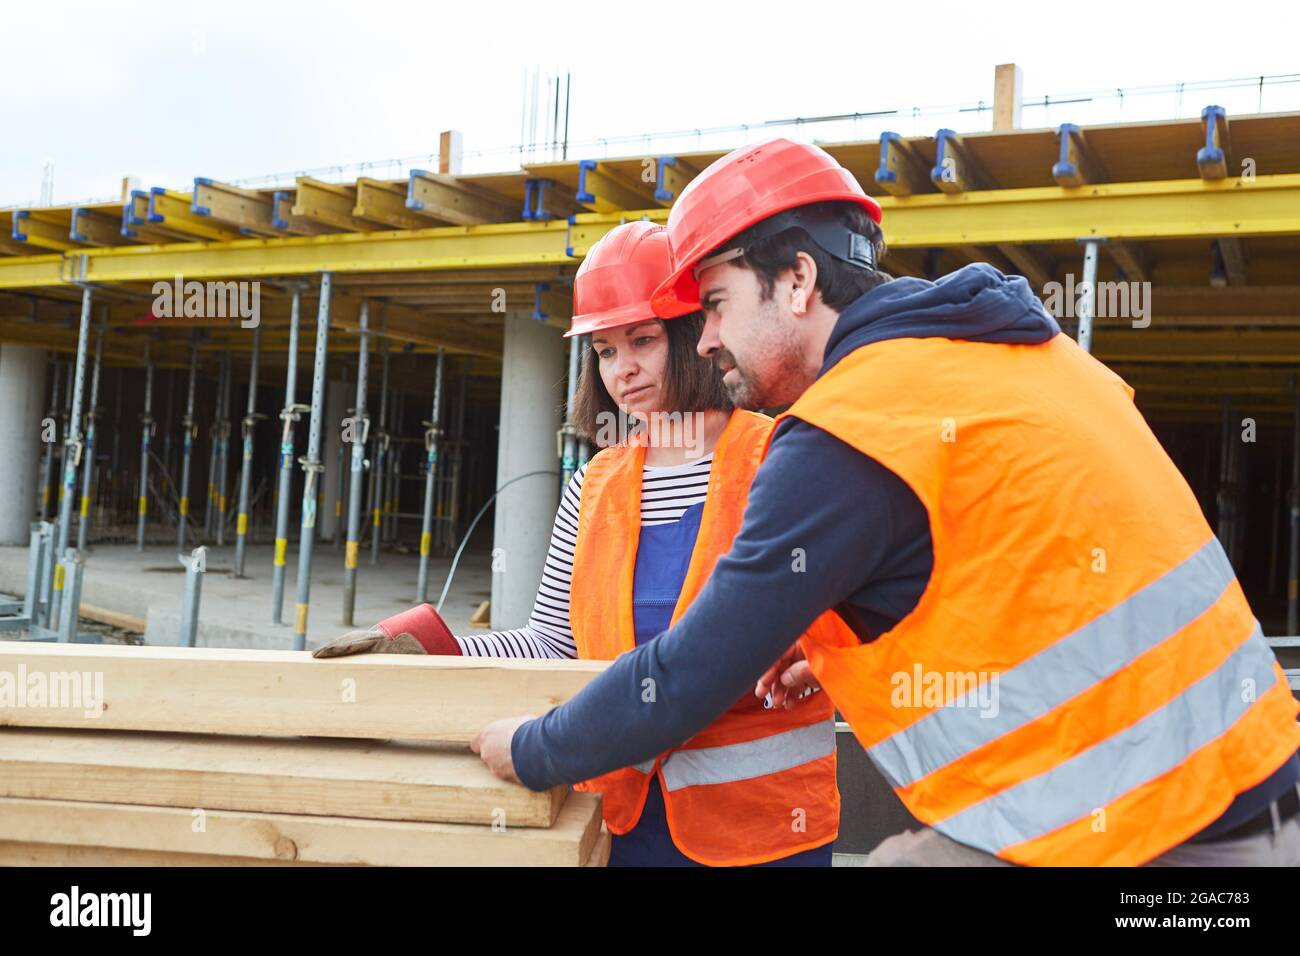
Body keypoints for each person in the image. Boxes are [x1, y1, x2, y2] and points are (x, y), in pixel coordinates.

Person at [473, 138, 1300, 867]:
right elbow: (1021, 576)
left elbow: (686, 676)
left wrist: (534, 748)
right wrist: (831, 641)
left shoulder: (845, 431)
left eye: (717, 303)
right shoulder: (1021, 354)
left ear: (797, 280)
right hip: (1256, 785)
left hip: (1148, 832)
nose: (709, 335)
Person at [315, 219, 847, 867]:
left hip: (762, 827)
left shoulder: (779, 455)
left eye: (642, 341)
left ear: (693, 335)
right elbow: (552, 642)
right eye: (604, 350)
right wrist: (437, 648)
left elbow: (847, 622)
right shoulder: (594, 486)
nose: (623, 370)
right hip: (625, 816)